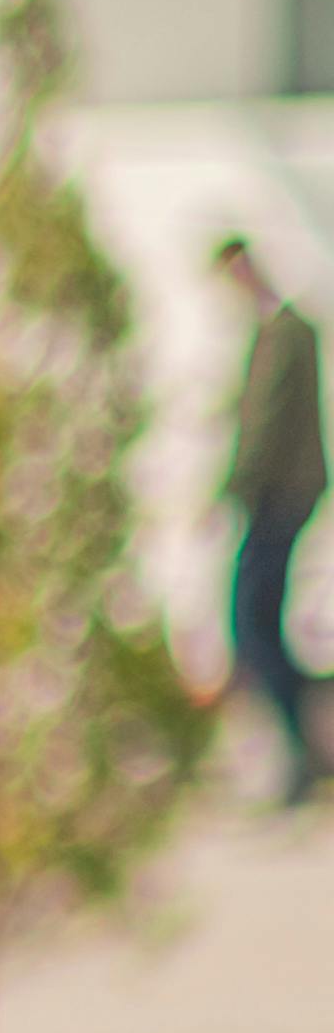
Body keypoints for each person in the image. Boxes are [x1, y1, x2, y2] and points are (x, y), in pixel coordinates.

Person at [221, 236, 327, 809]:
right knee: (257, 626)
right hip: (272, 496)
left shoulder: (288, 333)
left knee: (252, 625)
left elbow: (268, 427)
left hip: (277, 497)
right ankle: (301, 752)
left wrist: (237, 486)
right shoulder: (270, 334)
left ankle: (302, 752)